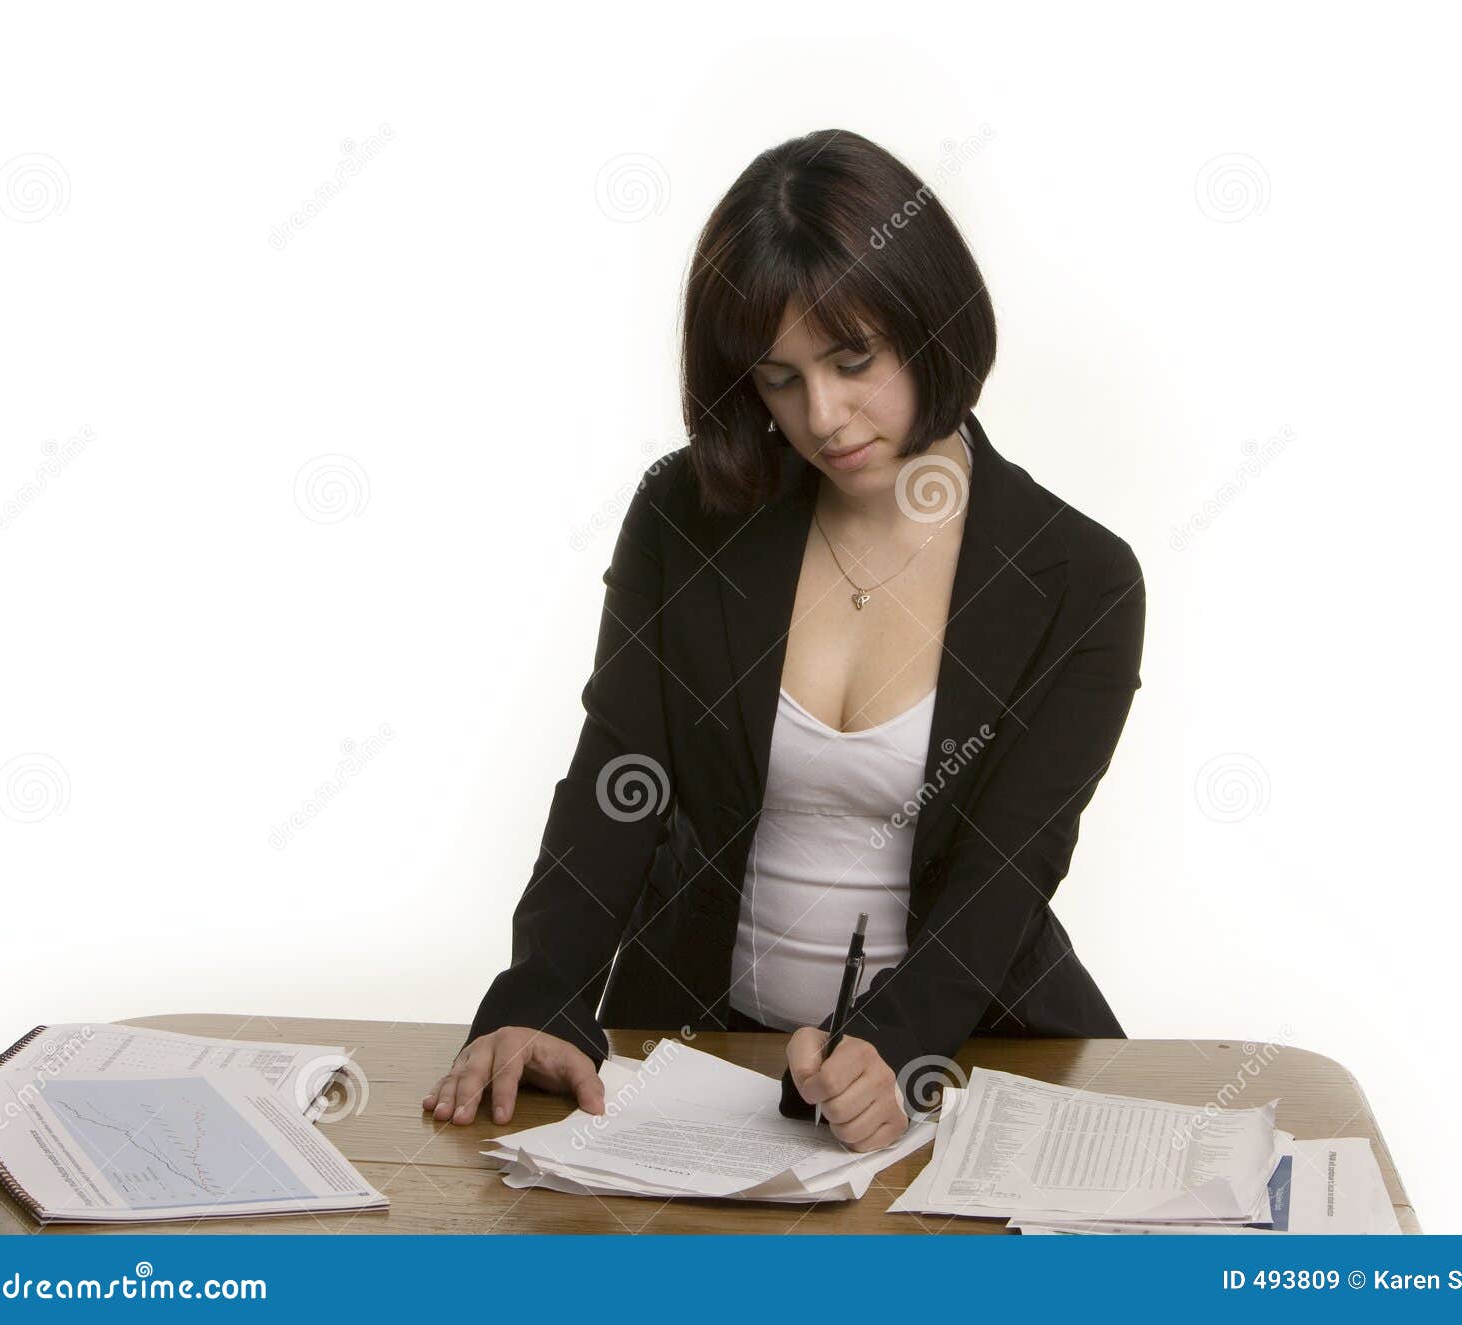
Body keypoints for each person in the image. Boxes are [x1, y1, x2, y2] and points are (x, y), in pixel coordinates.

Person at [423, 128, 1145, 1153]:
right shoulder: (685, 515)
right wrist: (539, 995)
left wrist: (896, 1051)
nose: (823, 416)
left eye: (854, 361)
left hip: (977, 1055)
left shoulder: (1081, 578)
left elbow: (1007, 873)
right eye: (777, 378)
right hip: (694, 1059)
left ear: (930, 322)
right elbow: (615, 775)